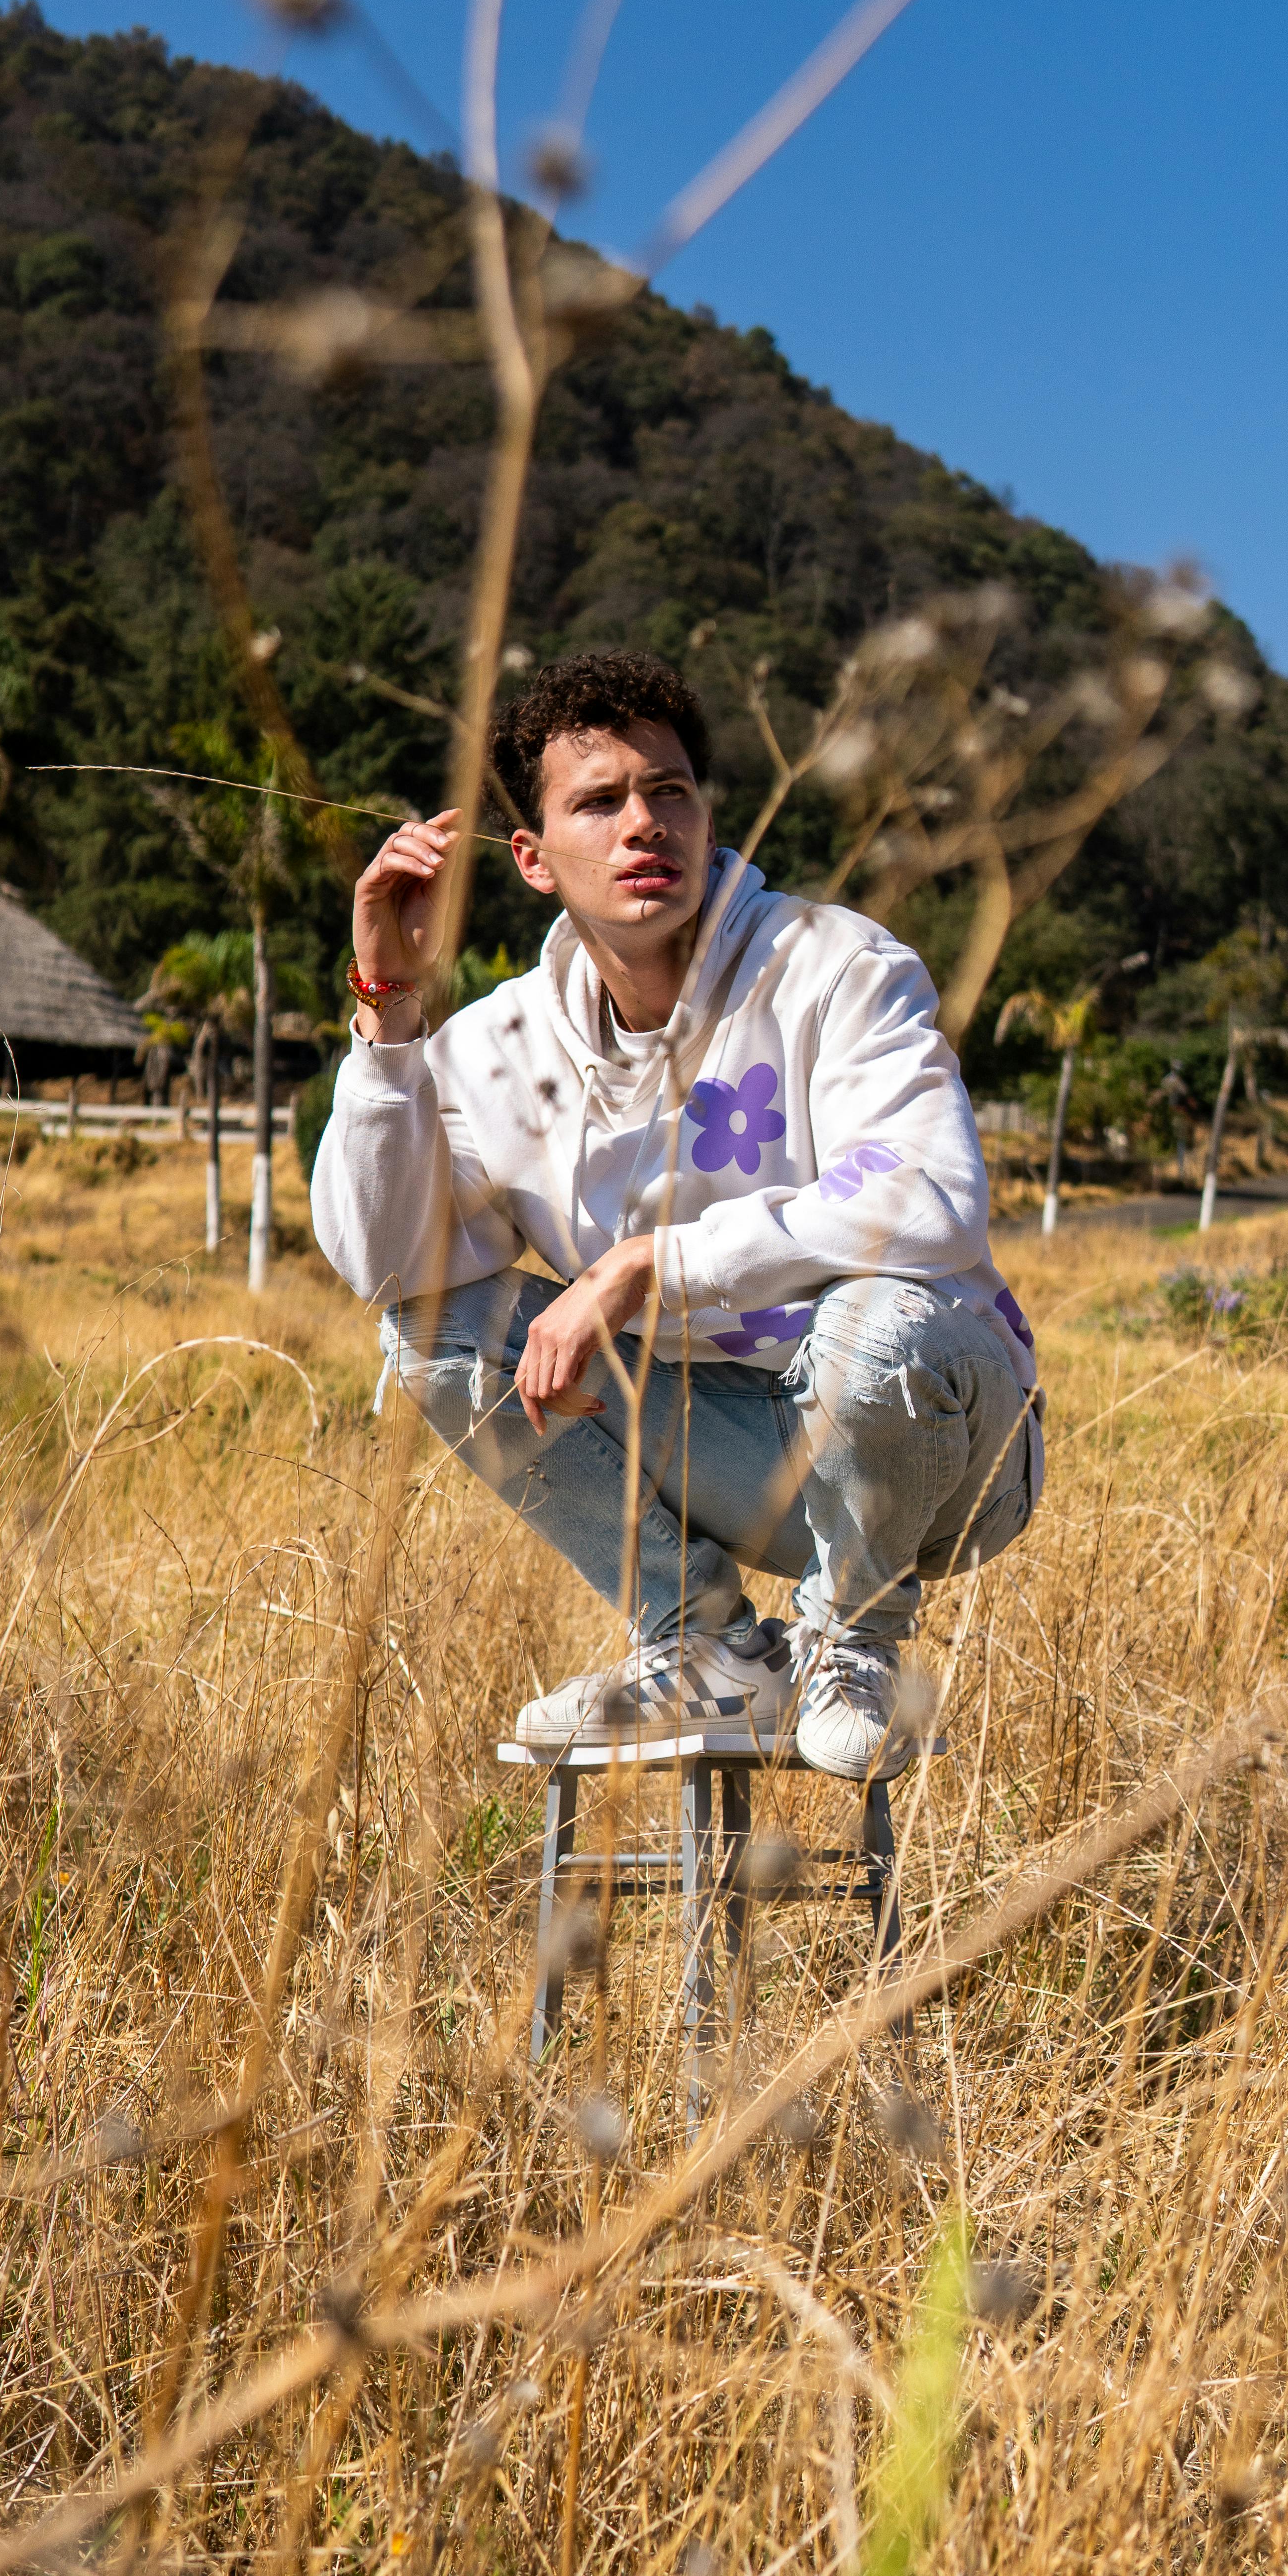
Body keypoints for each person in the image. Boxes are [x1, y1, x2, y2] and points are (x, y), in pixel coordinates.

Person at [310, 650, 1041, 1778]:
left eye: (670, 792)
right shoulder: (499, 1052)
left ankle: (851, 1639)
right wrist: (389, 1013)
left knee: (877, 1319)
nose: (642, 824)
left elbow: (927, 1200)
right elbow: (381, 1262)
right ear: (534, 858)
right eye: (598, 803)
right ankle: (705, 1646)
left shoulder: (833, 965)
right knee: (433, 1333)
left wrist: (649, 1264)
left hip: (943, 1447)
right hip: (728, 1449)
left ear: (706, 819)